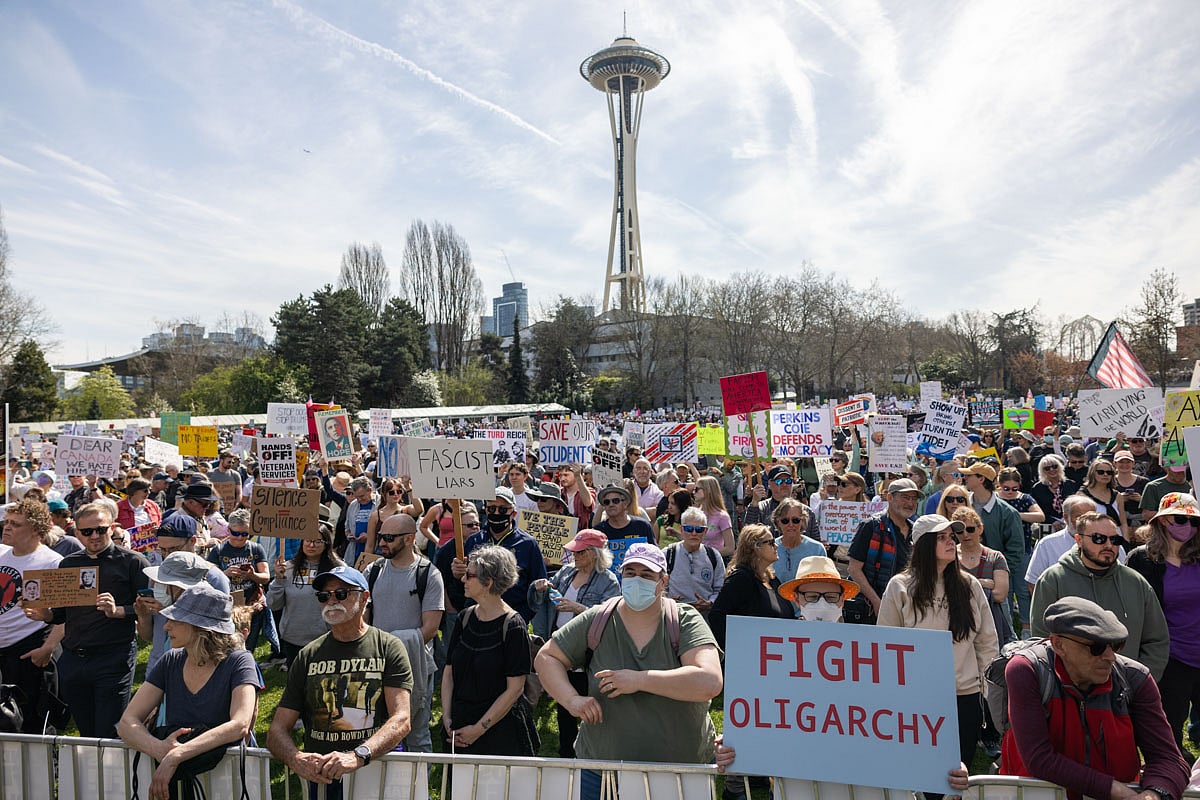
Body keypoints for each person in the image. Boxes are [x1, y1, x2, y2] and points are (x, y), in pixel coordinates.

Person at [535, 542, 723, 800]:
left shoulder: (684, 619)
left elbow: (709, 681)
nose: (637, 580)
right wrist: (571, 700)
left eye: (646, 575)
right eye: (630, 573)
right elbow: (546, 658)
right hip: (601, 773)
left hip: (680, 773)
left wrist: (639, 680)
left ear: (663, 581)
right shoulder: (598, 618)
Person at [1000, 597, 1189, 800]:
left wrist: (1152, 796)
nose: (1110, 657)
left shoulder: (1136, 678)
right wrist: (1116, 791)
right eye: (1096, 647)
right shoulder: (1026, 671)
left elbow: (1169, 759)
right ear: (1058, 644)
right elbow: (1038, 758)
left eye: (1115, 645)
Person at [267, 565, 412, 800]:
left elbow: (402, 718)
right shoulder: (308, 655)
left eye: (341, 594)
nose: (331, 601)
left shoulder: (388, 647)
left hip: (375, 771)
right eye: (324, 596)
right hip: (324, 778)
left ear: (364, 598)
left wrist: (359, 755)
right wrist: (295, 758)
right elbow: (277, 729)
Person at [878, 514, 998, 770]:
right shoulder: (900, 586)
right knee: (920, 770)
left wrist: (986, 692)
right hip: (916, 697)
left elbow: (987, 641)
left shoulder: (969, 585)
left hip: (965, 695)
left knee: (958, 772)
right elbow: (885, 644)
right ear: (923, 545)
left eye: (951, 536)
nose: (951, 542)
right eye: (941, 537)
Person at [117, 584, 258, 800]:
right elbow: (127, 723)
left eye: (176, 620)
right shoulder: (171, 660)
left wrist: (178, 754)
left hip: (226, 786)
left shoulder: (239, 660)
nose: (166, 626)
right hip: (178, 786)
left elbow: (240, 724)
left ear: (200, 627)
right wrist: (160, 750)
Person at [24, 501, 150, 738]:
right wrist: (45, 614)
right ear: (77, 532)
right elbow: (61, 614)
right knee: (85, 729)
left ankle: (109, 764)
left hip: (113, 656)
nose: (94, 536)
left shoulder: (133, 562)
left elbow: (149, 608)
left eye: (101, 529)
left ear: (112, 527)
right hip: (74, 658)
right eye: (87, 531)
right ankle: (89, 764)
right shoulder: (69, 563)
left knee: (109, 731)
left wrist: (118, 610)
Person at [1031, 512, 1168, 680]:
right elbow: (1042, 640)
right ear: (1078, 540)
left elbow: (1157, 640)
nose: (1109, 545)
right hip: (1071, 687)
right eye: (1099, 539)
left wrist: (1140, 680)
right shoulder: (1053, 580)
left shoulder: (1136, 582)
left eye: (1115, 540)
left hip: (1127, 687)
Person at [441, 545, 539, 756]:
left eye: (469, 575)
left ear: (488, 582)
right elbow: (449, 671)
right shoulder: (464, 617)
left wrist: (477, 730)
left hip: (499, 736)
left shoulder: (514, 626)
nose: (463, 579)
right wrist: (447, 718)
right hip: (458, 728)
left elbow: (515, 689)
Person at [1126, 492, 1200, 754]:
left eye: (1194, 522)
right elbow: (1133, 608)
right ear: (1162, 520)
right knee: (1170, 726)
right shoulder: (1141, 560)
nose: (1188, 526)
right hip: (1169, 657)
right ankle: (1172, 770)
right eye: (1180, 519)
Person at [363, 513, 444, 753]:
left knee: (417, 733)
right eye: (381, 537)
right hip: (375, 665)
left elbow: (430, 629)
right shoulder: (373, 570)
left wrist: (390, 645)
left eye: (388, 538)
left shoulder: (429, 574)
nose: (381, 543)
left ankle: (419, 780)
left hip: (414, 667)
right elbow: (363, 617)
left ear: (409, 539)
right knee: (375, 732)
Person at [1, 499, 64, 733]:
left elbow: (66, 613)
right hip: (3, 654)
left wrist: (48, 648)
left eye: (16, 524)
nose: (7, 527)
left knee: (34, 725)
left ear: (36, 530)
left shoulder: (53, 562)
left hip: (32, 650)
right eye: (6, 522)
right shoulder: (2, 555)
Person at [437, 488, 546, 622]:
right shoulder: (474, 540)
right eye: (492, 508)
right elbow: (464, 583)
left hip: (513, 617)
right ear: (486, 511)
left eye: (502, 510)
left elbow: (537, 584)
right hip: (477, 617)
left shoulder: (528, 544)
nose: (496, 513)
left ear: (513, 513)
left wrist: (523, 616)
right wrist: (458, 575)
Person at [207, 508, 278, 664]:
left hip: (250, 607)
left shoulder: (255, 549)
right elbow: (208, 579)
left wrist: (252, 575)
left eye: (245, 534)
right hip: (226, 607)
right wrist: (225, 574)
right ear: (228, 530)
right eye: (235, 533)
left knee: (247, 647)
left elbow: (266, 577)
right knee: (224, 647)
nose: (240, 538)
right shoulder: (218, 551)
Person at [846, 478, 921, 623]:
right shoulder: (871, 526)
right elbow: (854, 569)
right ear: (889, 497)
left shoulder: (916, 531)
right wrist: (876, 601)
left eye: (914, 499)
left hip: (905, 608)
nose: (910, 503)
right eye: (905, 497)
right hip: (869, 609)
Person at [266, 521, 341, 667]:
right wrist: (279, 580)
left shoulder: (337, 569)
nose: (311, 545)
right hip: (292, 638)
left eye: (317, 541)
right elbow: (273, 604)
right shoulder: (288, 568)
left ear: (326, 543)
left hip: (325, 639)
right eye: (308, 540)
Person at [708, 524, 791, 649]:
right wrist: (734, 650)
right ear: (756, 548)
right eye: (771, 542)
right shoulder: (741, 578)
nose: (776, 545)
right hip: (750, 655)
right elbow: (717, 616)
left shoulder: (773, 581)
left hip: (775, 654)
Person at [663, 509, 725, 617]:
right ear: (681, 530)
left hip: (704, 618)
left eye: (699, 529)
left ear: (705, 531)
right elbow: (656, 586)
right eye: (689, 529)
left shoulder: (714, 556)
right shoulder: (667, 554)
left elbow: (721, 588)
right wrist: (666, 600)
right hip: (673, 617)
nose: (694, 533)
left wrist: (710, 603)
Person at [777, 554, 860, 621]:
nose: (822, 605)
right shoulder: (784, 635)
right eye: (812, 597)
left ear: (842, 599)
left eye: (831, 597)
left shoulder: (857, 636)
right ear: (797, 599)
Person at [363, 477, 422, 556]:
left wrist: (408, 487)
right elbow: (370, 545)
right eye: (392, 492)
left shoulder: (405, 510)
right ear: (384, 494)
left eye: (399, 491)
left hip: (403, 553)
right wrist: (366, 560)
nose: (396, 494)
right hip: (383, 554)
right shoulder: (375, 516)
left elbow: (419, 510)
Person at [1078, 459, 1129, 537]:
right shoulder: (1082, 495)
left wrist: (1126, 540)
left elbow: (1123, 523)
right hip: (1094, 538)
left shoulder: (1117, 496)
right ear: (1093, 473)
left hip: (1117, 537)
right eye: (1101, 472)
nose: (1105, 475)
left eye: (1109, 472)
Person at [692, 476, 734, 558]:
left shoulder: (722, 516)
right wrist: (676, 534)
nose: (693, 492)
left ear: (707, 490)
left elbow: (730, 548)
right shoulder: (695, 513)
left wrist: (707, 555)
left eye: (696, 489)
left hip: (713, 562)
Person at [742, 464, 794, 531]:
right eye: (779, 481)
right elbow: (749, 531)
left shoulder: (802, 510)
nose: (784, 484)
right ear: (769, 483)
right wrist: (755, 501)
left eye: (788, 480)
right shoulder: (762, 508)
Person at [1031, 455, 1078, 525]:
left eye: (1054, 466)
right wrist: (1052, 521)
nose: (1051, 470)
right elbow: (1037, 510)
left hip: (1070, 522)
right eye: (1047, 468)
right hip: (1048, 524)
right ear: (1042, 471)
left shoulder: (1071, 484)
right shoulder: (1037, 488)